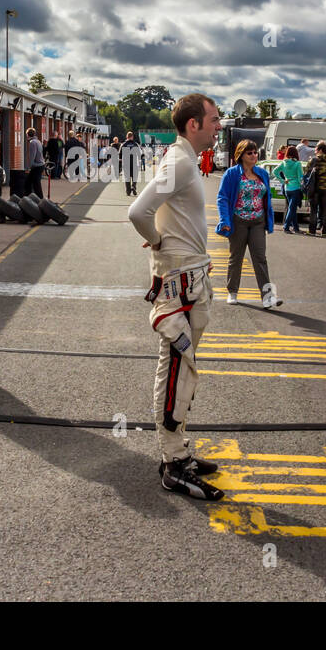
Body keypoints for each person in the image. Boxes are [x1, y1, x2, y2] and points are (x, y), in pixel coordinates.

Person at [128, 93, 224, 499]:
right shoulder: (181, 162)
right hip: (180, 285)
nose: (219, 125)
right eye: (214, 119)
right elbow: (138, 212)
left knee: (182, 371)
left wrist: (164, 242)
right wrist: (157, 241)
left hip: (188, 279)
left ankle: (178, 450)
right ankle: (173, 463)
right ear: (193, 125)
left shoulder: (183, 159)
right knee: (176, 371)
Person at [217, 140, 282, 308]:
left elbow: (265, 197)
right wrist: (225, 220)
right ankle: (232, 292)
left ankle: (268, 297)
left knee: (260, 258)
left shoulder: (262, 173)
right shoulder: (232, 173)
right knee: (236, 258)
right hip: (238, 221)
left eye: (255, 152)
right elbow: (222, 197)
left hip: (258, 222)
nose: (254, 155)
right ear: (241, 155)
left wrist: (269, 219)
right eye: (249, 153)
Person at [306, 141, 326, 236]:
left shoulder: (314, 160)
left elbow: (307, 173)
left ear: (320, 150)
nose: (315, 151)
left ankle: (312, 231)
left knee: (313, 210)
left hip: (315, 189)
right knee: (324, 211)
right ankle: (325, 231)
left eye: (316, 149)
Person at [276, 145, 305, 234]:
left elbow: (275, 171)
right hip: (295, 188)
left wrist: (283, 180)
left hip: (287, 188)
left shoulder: (283, 162)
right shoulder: (297, 163)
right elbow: (300, 177)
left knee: (292, 208)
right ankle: (286, 227)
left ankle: (296, 228)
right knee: (292, 209)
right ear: (296, 153)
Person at [120, 130, 143, 197]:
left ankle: (128, 191)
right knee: (134, 177)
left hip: (126, 163)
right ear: (132, 137)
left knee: (127, 177)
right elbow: (139, 154)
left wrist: (121, 160)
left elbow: (120, 154)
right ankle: (133, 187)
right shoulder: (136, 144)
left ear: (127, 137)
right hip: (134, 163)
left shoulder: (123, 144)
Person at [25, 128, 46, 198]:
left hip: (37, 166)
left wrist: (28, 168)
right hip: (40, 165)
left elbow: (32, 157)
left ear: (28, 135)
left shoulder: (32, 143)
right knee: (30, 182)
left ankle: (40, 199)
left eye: (26, 135)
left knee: (35, 184)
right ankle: (31, 198)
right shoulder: (38, 141)